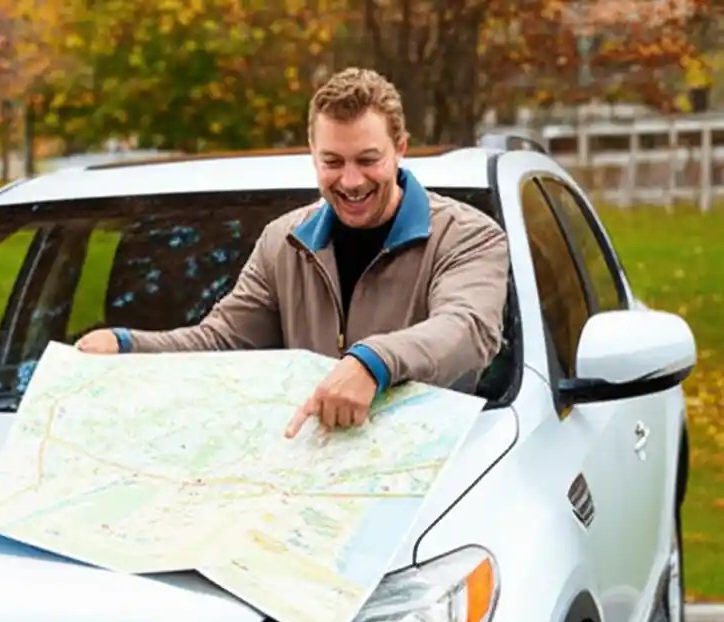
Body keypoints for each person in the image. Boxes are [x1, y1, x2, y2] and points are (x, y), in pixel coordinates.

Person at [74, 67, 509, 437]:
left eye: (368, 160)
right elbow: (223, 341)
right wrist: (128, 346)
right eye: (333, 162)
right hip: (309, 478)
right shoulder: (283, 242)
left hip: (433, 474)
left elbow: (467, 330)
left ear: (401, 149)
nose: (352, 181)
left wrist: (373, 362)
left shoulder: (468, 236)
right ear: (313, 157)